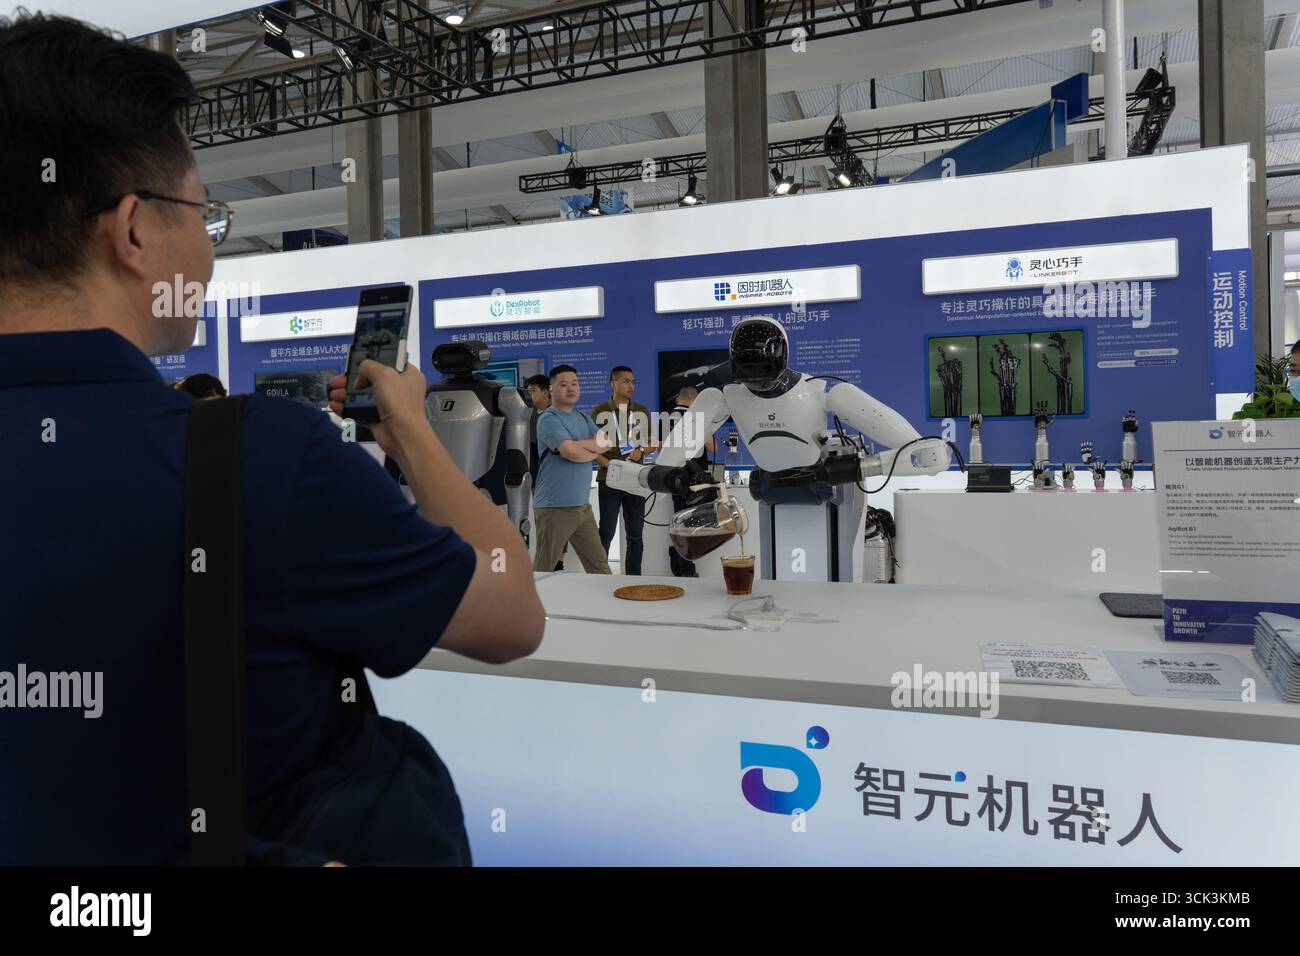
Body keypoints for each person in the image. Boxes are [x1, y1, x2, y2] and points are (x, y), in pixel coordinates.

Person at [0, 12, 544, 866]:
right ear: (135, 231)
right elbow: (509, 613)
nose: (207, 254)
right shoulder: (254, 462)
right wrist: (408, 426)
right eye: (202, 215)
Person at [532, 365, 612, 574]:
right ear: (551, 389)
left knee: (600, 566)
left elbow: (607, 442)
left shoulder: (583, 417)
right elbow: (572, 454)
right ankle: (532, 606)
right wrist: (591, 448)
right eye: (564, 384)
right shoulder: (549, 418)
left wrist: (582, 446)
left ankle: (607, 607)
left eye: (574, 383)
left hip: (582, 507)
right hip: (554, 507)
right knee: (544, 568)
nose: (571, 388)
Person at [591, 365, 654, 574]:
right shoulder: (600, 411)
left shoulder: (641, 411)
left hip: (635, 477)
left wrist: (642, 450)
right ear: (613, 383)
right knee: (606, 530)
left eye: (633, 381)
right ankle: (599, 575)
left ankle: (634, 578)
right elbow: (591, 447)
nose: (631, 386)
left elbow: (652, 442)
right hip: (609, 477)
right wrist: (607, 464)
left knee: (635, 533)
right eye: (626, 381)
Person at [665, 385, 719, 577]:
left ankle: (679, 563)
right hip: (696, 479)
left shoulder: (666, 417)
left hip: (674, 478)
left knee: (679, 521)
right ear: (696, 401)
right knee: (690, 524)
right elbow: (713, 448)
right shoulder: (697, 417)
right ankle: (686, 569)